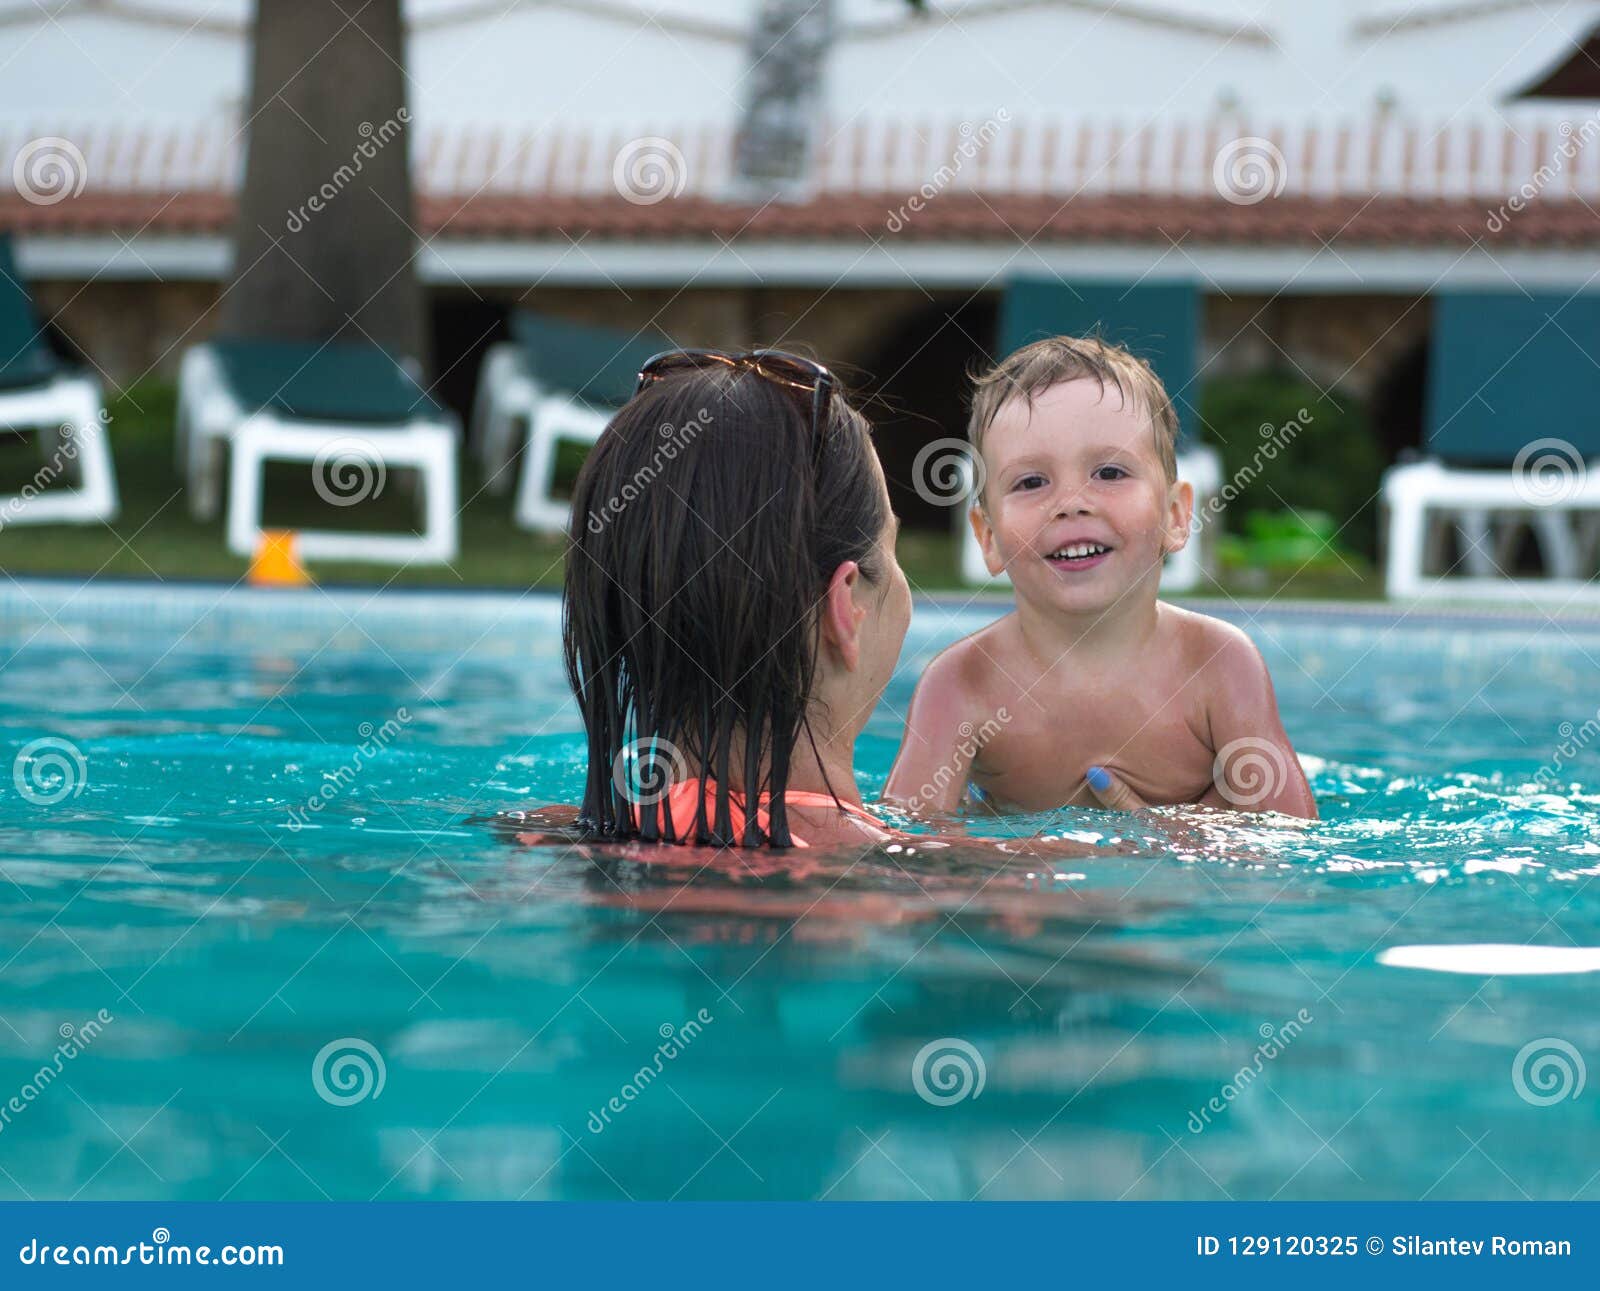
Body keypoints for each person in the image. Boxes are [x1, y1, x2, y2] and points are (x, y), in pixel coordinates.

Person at [883, 335, 1317, 819]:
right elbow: (903, 853)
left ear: (1175, 516)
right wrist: (1040, 854)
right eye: (1031, 482)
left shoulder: (1217, 664)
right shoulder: (961, 684)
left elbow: (1289, 845)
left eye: (1109, 473)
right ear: (988, 538)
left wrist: (1182, 844)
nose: (1071, 502)